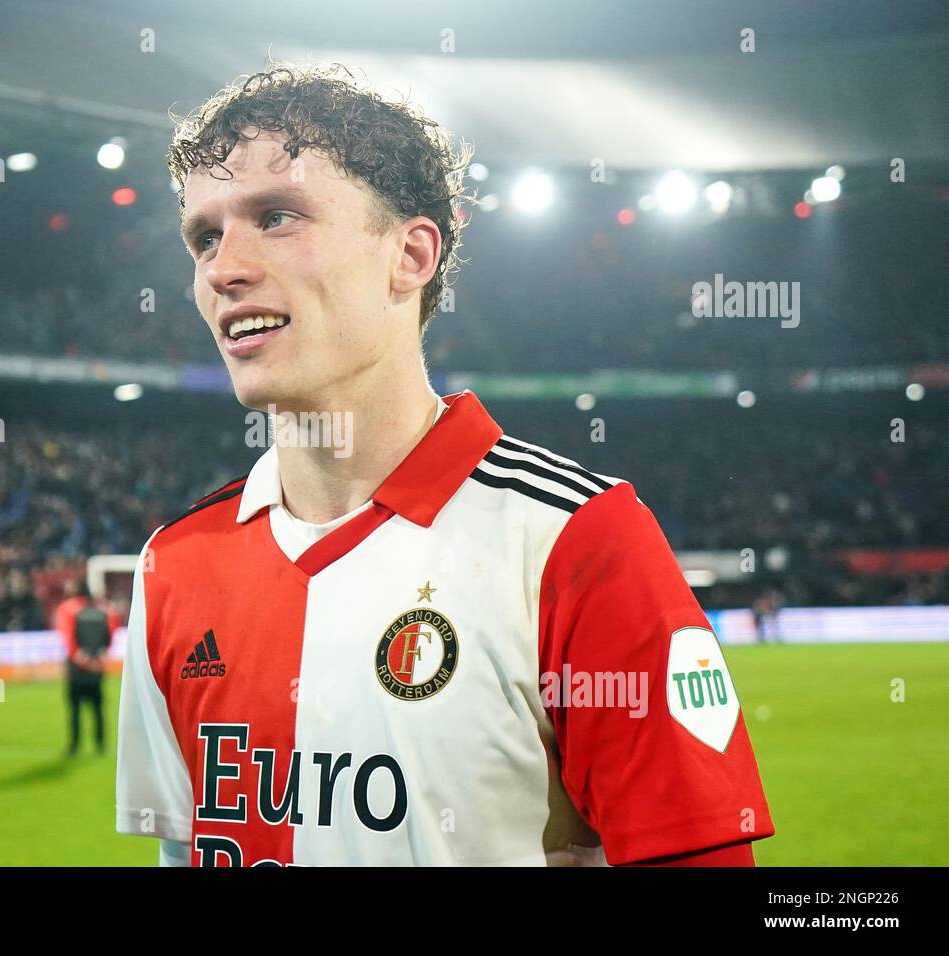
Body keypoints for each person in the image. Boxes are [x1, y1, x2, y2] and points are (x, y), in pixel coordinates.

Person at [116, 62, 774, 867]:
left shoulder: (578, 542)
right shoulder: (172, 565)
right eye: (205, 237)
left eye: (277, 216)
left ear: (410, 255)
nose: (223, 268)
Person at [55, 579, 113, 756]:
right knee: (98, 708)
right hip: (96, 665)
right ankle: (101, 745)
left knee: (75, 709)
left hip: (77, 667)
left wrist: (80, 658)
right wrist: (98, 658)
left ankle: (74, 746)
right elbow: (108, 636)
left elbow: (67, 637)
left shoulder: (66, 609)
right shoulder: (99, 610)